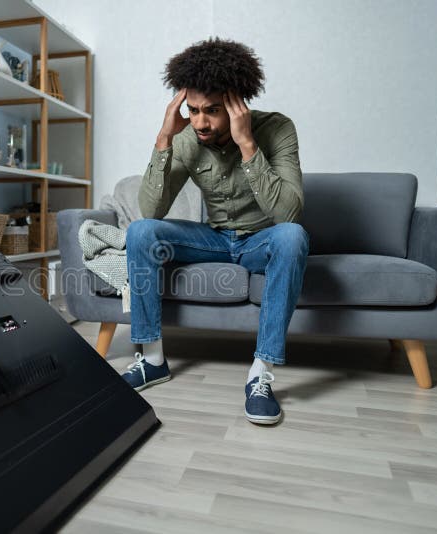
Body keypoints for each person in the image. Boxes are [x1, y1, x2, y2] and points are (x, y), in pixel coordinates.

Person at [122, 37, 309, 425]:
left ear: (238, 103)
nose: (201, 122)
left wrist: (246, 144)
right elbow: (151, 209)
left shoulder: (277, 129)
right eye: (193, 110)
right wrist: (164, 139)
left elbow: (288, 213)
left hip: (260, 241)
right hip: (213, 239)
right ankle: (152, 359)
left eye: (212, 111)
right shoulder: (187, 137)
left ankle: (261, 375)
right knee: (141, 231)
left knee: (293, 236)